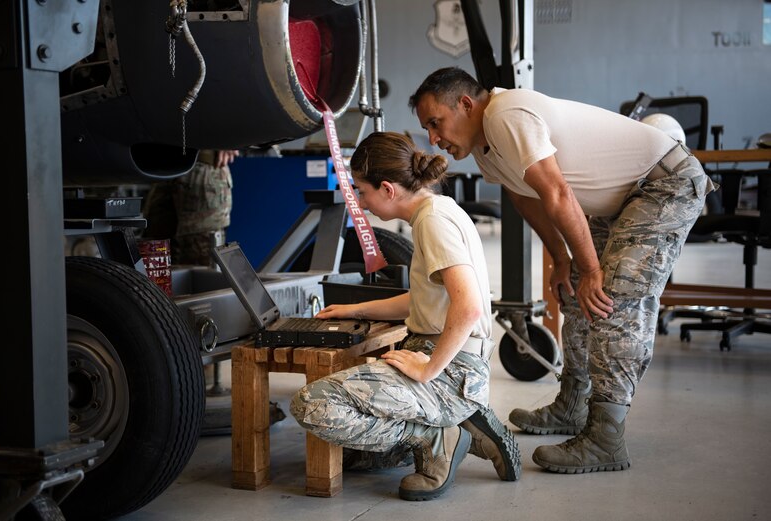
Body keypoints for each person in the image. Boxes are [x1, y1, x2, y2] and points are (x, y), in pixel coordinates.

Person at [409, 67, 715, 474]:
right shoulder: (486, 148)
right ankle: (573, 403)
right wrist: (565, 261)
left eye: (435, 123)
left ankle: (607, 437)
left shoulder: (505, 114)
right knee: (574, 289)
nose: (433, 138)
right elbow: (527, 199)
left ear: (465, 105)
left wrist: (590, 268)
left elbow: (557, 191)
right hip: (620, 199)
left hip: (662, 182)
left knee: (614, 297)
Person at [289, 131, 521, 501]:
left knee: (313, 405)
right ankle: (453, 421)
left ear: (387, 189)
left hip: (449, 369)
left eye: (362, 192)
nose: (362, 203)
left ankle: (438, 436)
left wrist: (428, 370)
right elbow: (424, 298)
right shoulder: (437, 210)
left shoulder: (433, 222)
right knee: (358, 458)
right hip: (449, 358)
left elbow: (469, 307)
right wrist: (354, 309)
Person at [143, 149, 239, 265]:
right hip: (164, 171)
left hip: (203, 171)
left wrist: (231, 138)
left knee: (199, 265)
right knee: (155, 264)